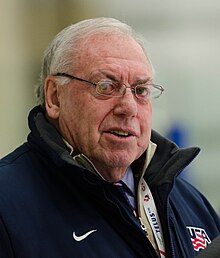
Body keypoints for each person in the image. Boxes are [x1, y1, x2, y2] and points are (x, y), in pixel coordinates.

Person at [0, 17, 219, 258]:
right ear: (54, 97)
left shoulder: (189, 201)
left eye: (141, 90)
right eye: (106, 86)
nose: (129, 107)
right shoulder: (7, 204)